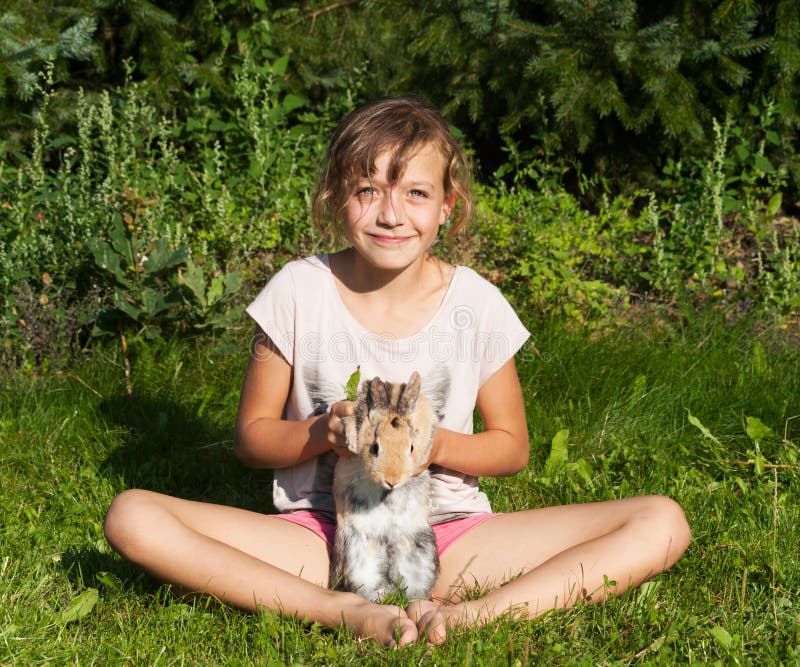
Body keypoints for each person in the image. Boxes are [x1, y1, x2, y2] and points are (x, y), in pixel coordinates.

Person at [104, 97, 691, 647]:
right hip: (319, 533)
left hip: (450, 533)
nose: (391, 215)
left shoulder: (476, 305)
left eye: (414, 193)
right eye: (367, 190)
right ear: (336, 198)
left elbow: (511, 449)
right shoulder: (298, 291)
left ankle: (466, 614)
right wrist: (322, 433)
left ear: (446, 205)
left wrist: (429, 447)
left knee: (662, 521)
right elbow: (251, 439)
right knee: (131, 515)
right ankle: (344, 611)